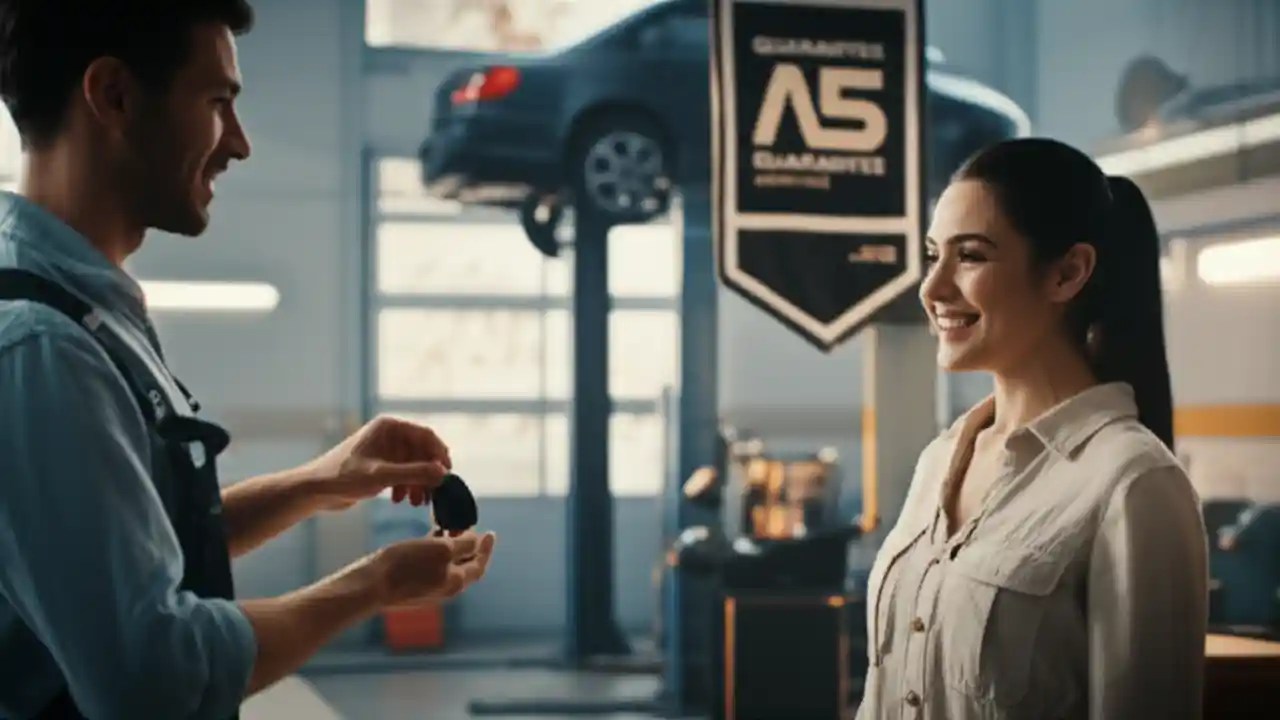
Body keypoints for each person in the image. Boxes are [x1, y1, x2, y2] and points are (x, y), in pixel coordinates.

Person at [0, 2, 497, 718]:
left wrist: (321, 481)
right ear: (113, 95)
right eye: (217, 102)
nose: (239, 144)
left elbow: (125, 551)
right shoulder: (42, 349)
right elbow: (152, 677)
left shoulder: (84, 311)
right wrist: (373, 585)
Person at [856, 137, 1208, 719]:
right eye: (932, 254)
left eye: (969, 256)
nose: (932, 287)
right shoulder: (939, 460)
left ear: (1067, 273)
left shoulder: (1133, 484)